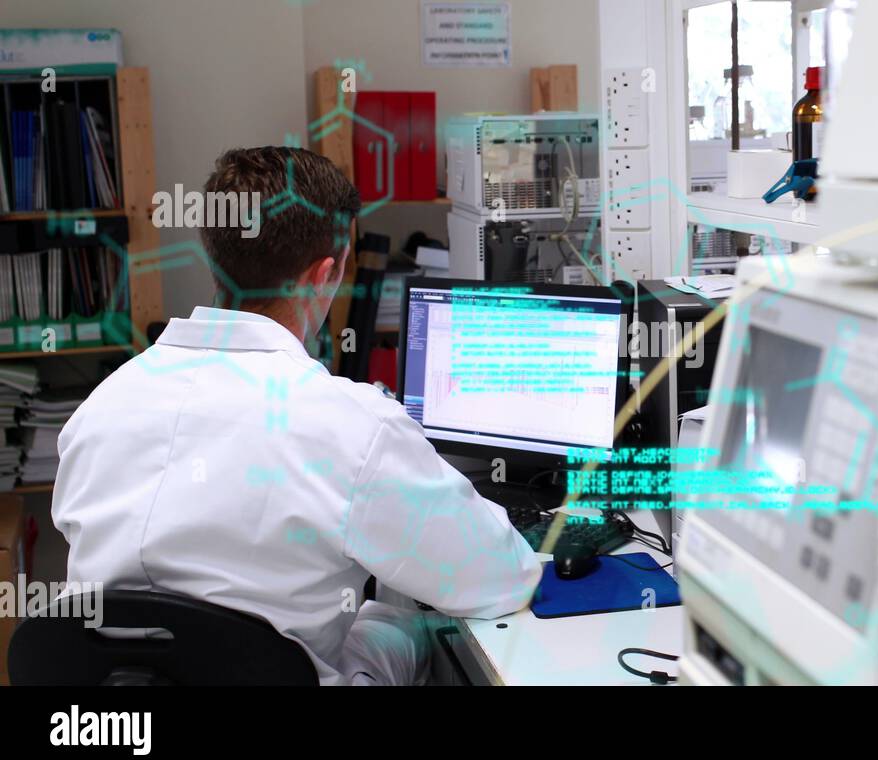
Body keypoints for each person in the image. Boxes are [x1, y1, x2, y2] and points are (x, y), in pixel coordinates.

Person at [52, 147, 541, 685]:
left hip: (115, 718)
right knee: (407, 626)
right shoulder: (352, 425)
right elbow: (501, 578)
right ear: (322, 275)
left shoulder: (99, 407)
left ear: (215, 258)